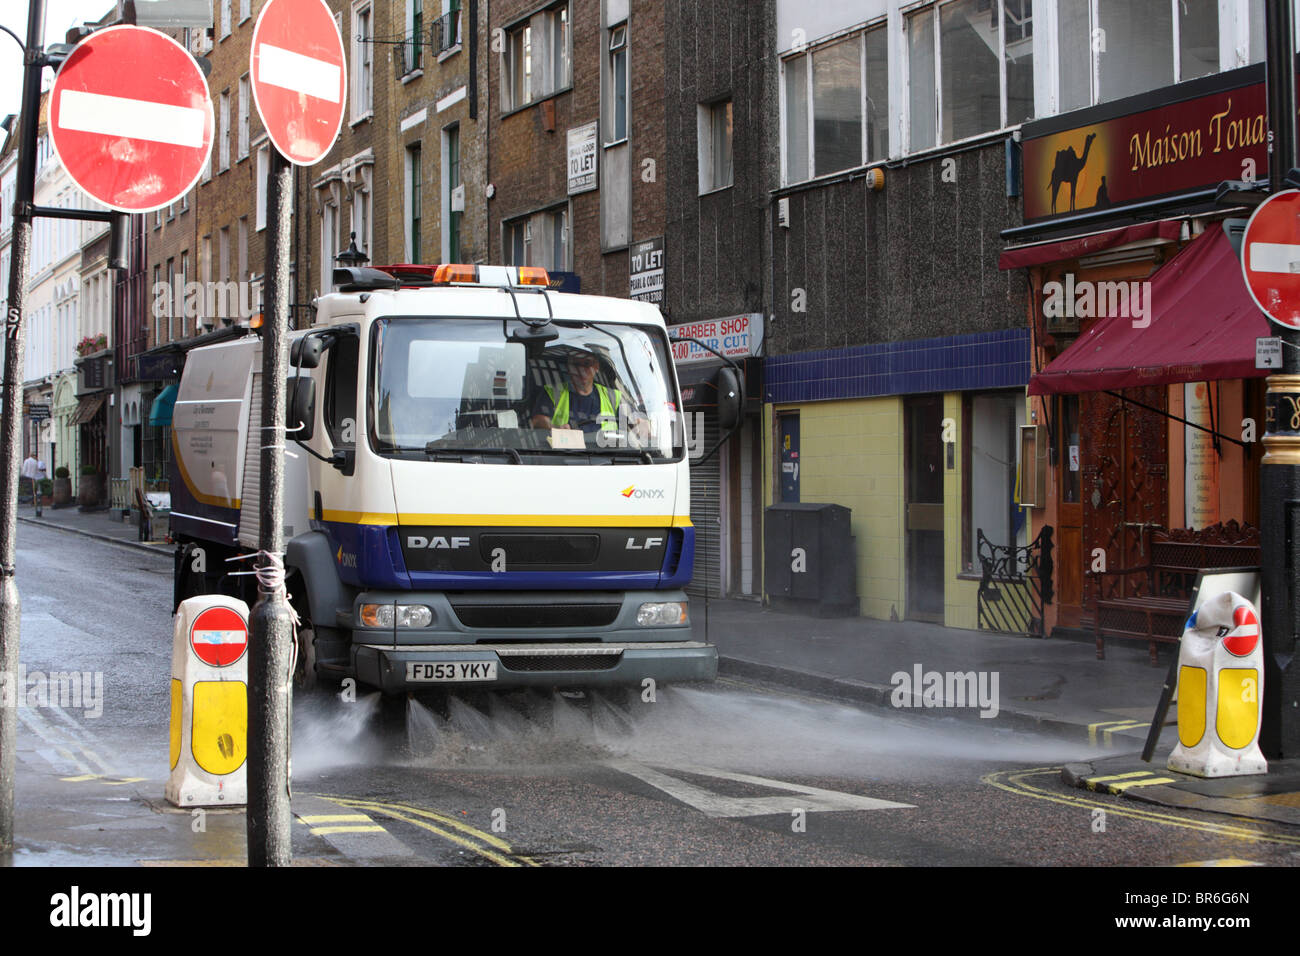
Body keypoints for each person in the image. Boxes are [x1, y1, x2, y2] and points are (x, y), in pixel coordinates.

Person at [530, 350, 622, 434]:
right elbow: (537, 421)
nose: (581, 370)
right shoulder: (554, 392)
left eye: (587, 364)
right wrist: (555, 427)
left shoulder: (613, 397)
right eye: (576, 364)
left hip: (605, 447)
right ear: (569, 367)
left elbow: (629, 424)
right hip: (565, 446)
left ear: (596, 367)